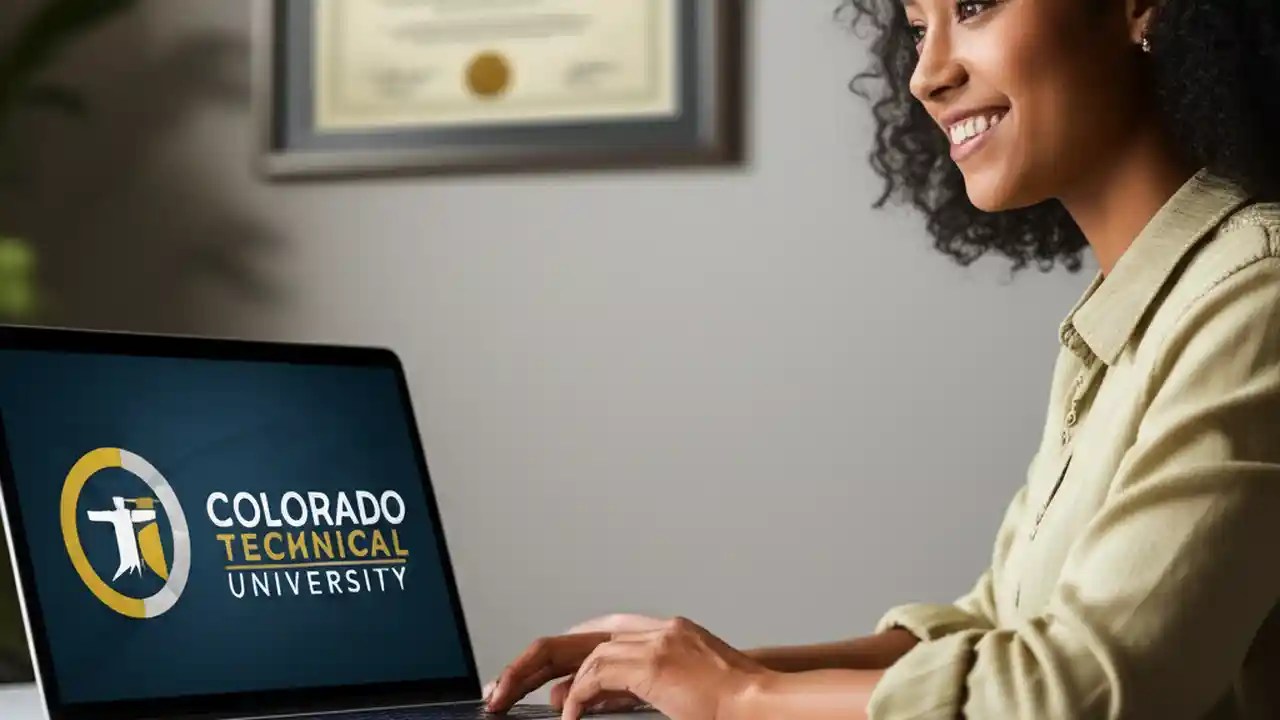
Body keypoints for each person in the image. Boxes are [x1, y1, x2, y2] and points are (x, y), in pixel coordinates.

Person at [483, 0, 1280, 717]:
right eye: (918, 27)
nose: (928, 76)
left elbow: (1075, 691)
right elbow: (996, 630)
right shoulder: (1135, 315)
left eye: (973, 6)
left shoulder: (1257, 296)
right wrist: (686, 664)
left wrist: (739, 697)